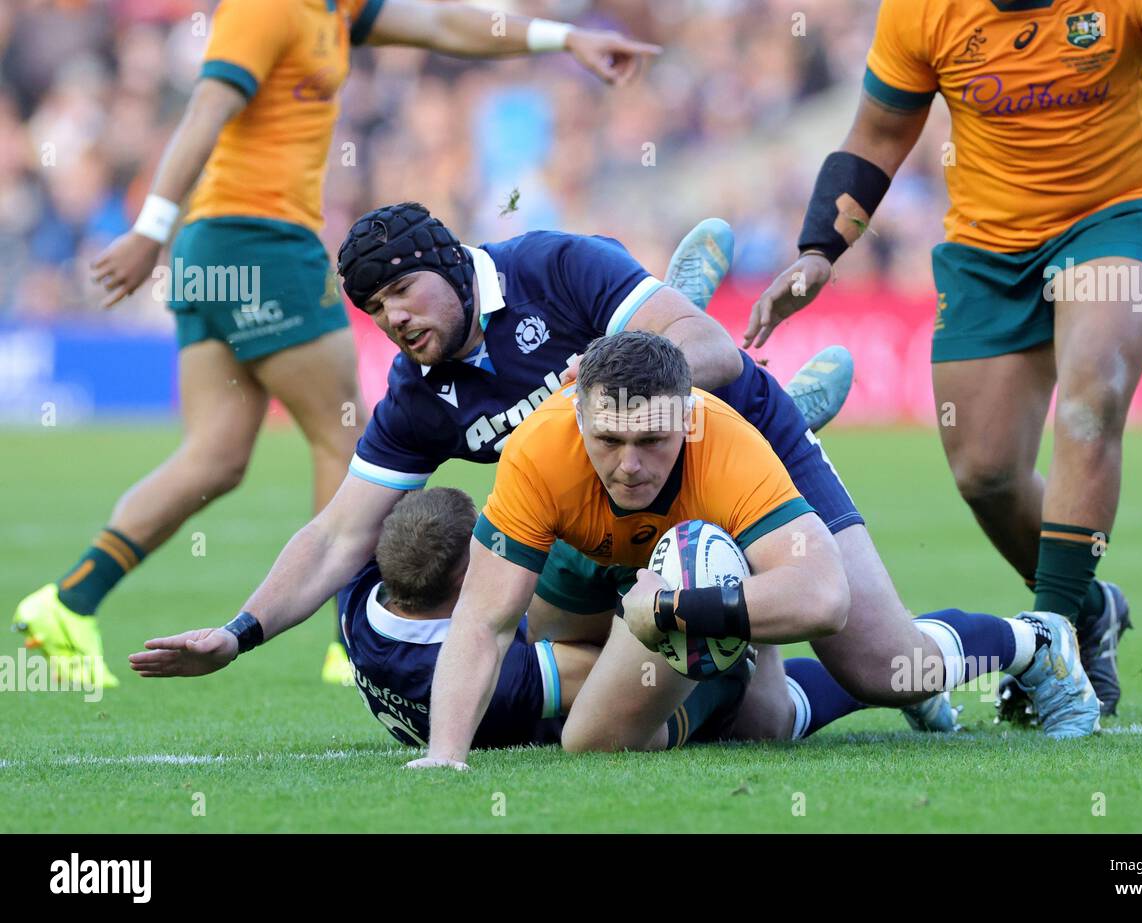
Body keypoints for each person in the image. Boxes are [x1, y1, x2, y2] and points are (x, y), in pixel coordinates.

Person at [12, 0, 661, 688]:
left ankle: (68, 599)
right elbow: (205, 109)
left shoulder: (337, 7)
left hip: (212, 247)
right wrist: (151, 226)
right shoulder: (265, 8)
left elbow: (444, 26)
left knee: (215, 455)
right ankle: (346, 636)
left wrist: (565, 38)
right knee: (342, 431)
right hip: (262, 241)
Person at [746, 0, 1142, 719]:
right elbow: (877, 137)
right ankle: (1089, 610)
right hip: (988, 252)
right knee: (986, 472)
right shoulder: (922, 12)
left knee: (1093, 397)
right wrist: (819, 250)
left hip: (1115, 219)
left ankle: (1050, 648)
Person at [409, 331, 1101, 771]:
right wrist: (445, 757)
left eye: (651, 440)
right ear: (581, 417)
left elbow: (822, 597)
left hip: (741, 504)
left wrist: (677, 607)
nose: (627, 465)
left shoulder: (725, 445)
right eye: (609, 439)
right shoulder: (540, 449)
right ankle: (732, 676)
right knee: (610, 734)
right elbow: (484, 618)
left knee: (888, 665)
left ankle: (1032, 640)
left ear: (686, 416)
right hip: (611, 554)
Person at [129, 488, 869, 751]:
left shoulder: (366, 597)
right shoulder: (504, 677)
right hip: (613, 694)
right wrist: (665, 596)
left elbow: (334, 545)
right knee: (762, 715)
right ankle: (732, 530)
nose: (497, 550)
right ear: (463, 583)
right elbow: (615, 664)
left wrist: (236, 633)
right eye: (485, 547)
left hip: (520, 644)